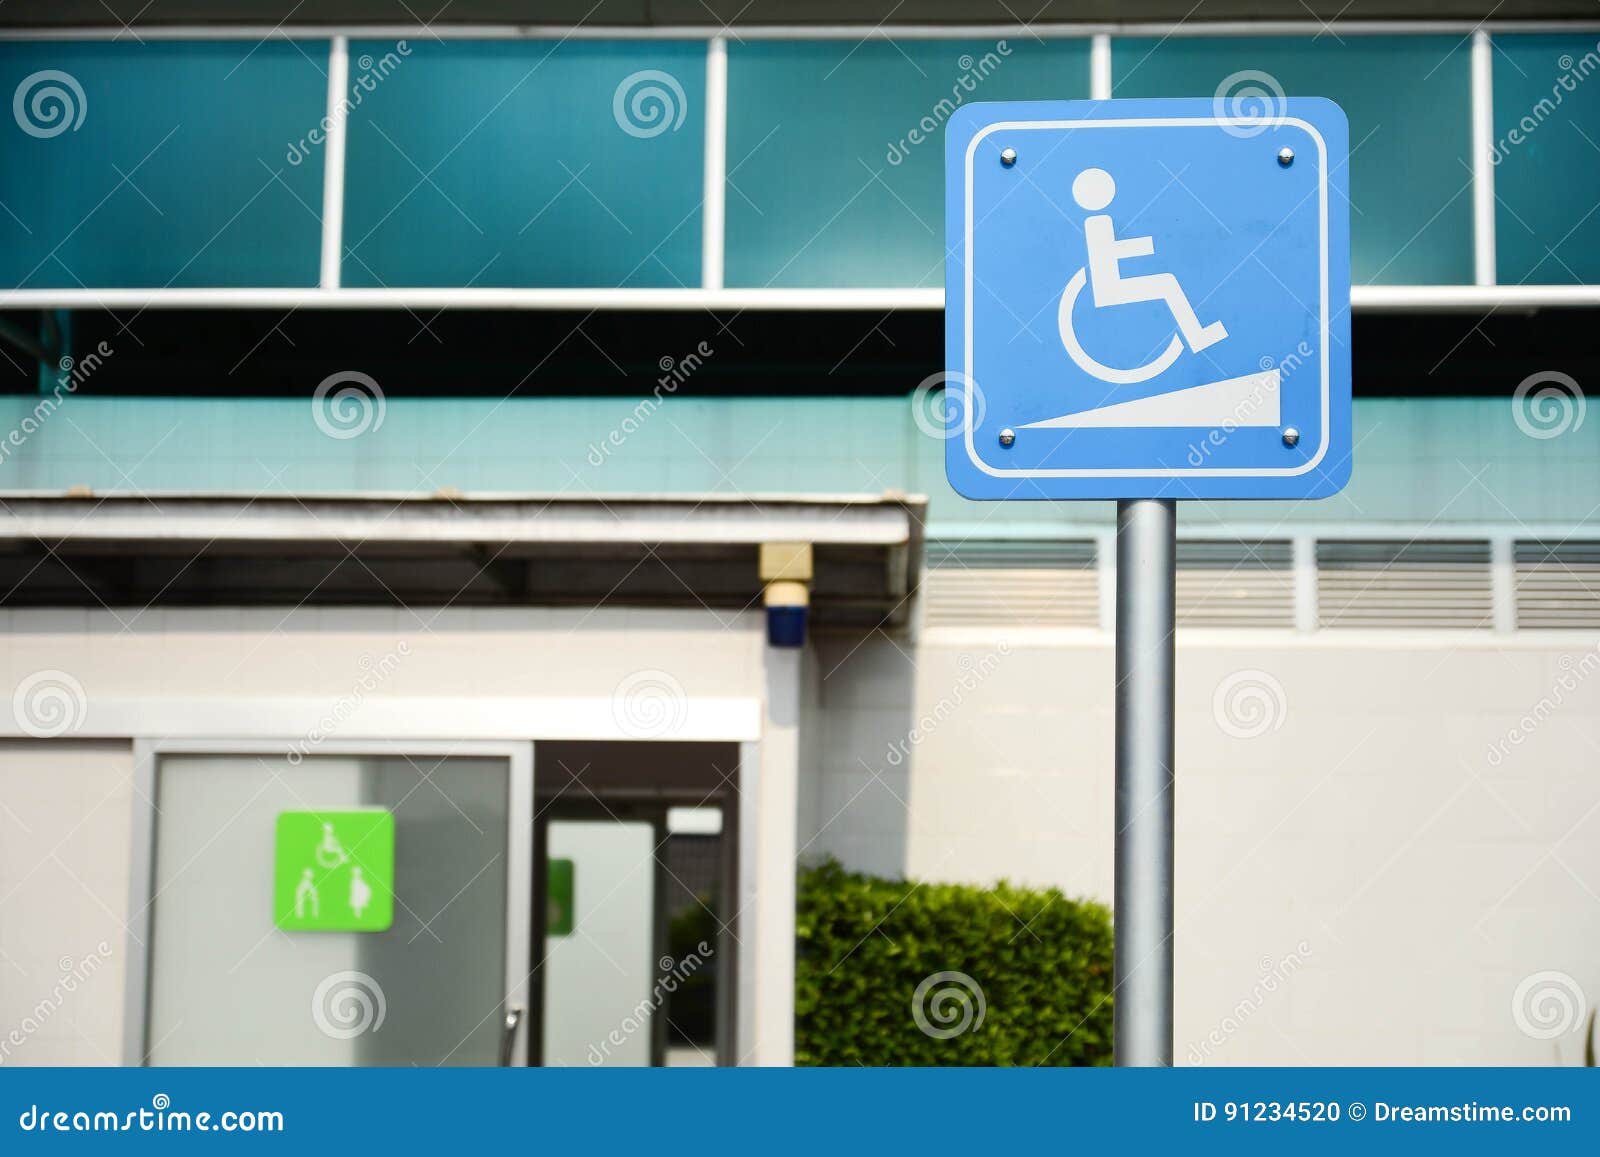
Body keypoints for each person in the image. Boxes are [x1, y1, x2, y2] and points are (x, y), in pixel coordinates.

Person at [1072, 167, 1229, 353]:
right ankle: (1197, 336)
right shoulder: (1098, 223)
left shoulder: (1097, 221)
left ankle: (1197, 335)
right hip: (1110, 288)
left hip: (1110, 285)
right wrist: (1145, 245)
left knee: (1166, 283)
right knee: (1167, 283)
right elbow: (1112, 251)